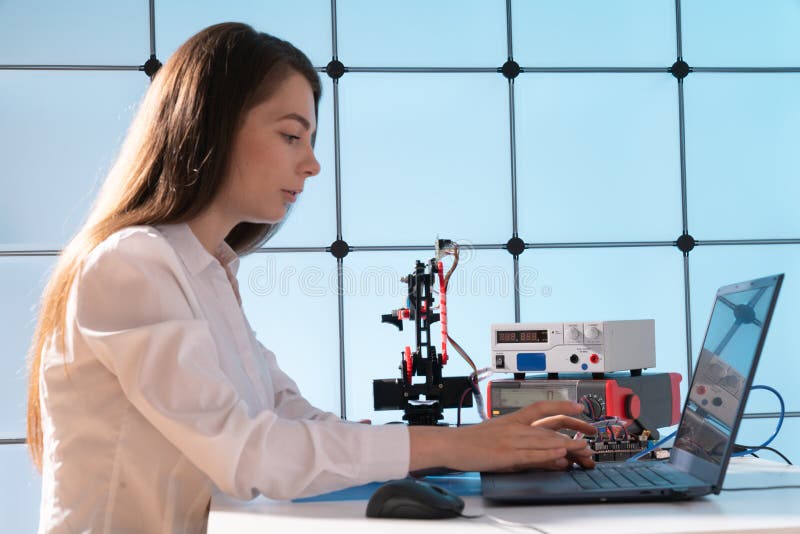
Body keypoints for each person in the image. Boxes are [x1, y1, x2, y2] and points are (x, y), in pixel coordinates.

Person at [26, 22, 597, 533]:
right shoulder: (133, 265)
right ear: (214, 125)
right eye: (291, 135)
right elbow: (250, 453)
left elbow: (286, 415)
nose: (312, 164)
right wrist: (462, 444)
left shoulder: (208, 271)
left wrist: (476, 447)